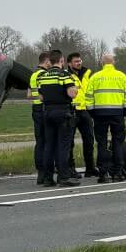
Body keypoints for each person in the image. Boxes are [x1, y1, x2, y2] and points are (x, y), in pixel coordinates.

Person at [32, 53, 81, 186]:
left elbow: (40, 97)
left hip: (47, 112)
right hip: (63, 112)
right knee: (63, 146)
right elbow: (72, 93)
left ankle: (48, 178)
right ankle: (63, 177)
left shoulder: (43, 76)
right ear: (61, 60)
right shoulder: (63, 75)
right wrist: (75, 89)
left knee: (49, 146)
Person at [86, 50, 126, 182]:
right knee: (117, 142)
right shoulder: (121, 76)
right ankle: (118, 173)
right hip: (117, 114)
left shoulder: (95, 77)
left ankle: (103, 173)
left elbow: (88, 97)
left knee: (101, 143)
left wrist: (92, 112)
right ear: (113, 62)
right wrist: (125, 112)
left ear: (102, 63)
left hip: (100, 114)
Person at [67, 51, 97, 177]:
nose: (79, 63)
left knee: (89, 141)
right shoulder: (65, 75)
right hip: (72, 111)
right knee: (69, 142)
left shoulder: (88, 73)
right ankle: (71, 169)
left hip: (85, 111)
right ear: (69, 63)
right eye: (76, 61)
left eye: (80, 61)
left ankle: (90, 168)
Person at [30, 49, 55, 180]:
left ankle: (40, 171)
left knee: (39, 141)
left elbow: (29, 94)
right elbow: (45, 94)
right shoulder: (44, 75)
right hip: (44, 109)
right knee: (47, 142)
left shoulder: (33, 75)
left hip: (35, 109)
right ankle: (45, 172)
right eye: (51, 61)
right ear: (46, 61)